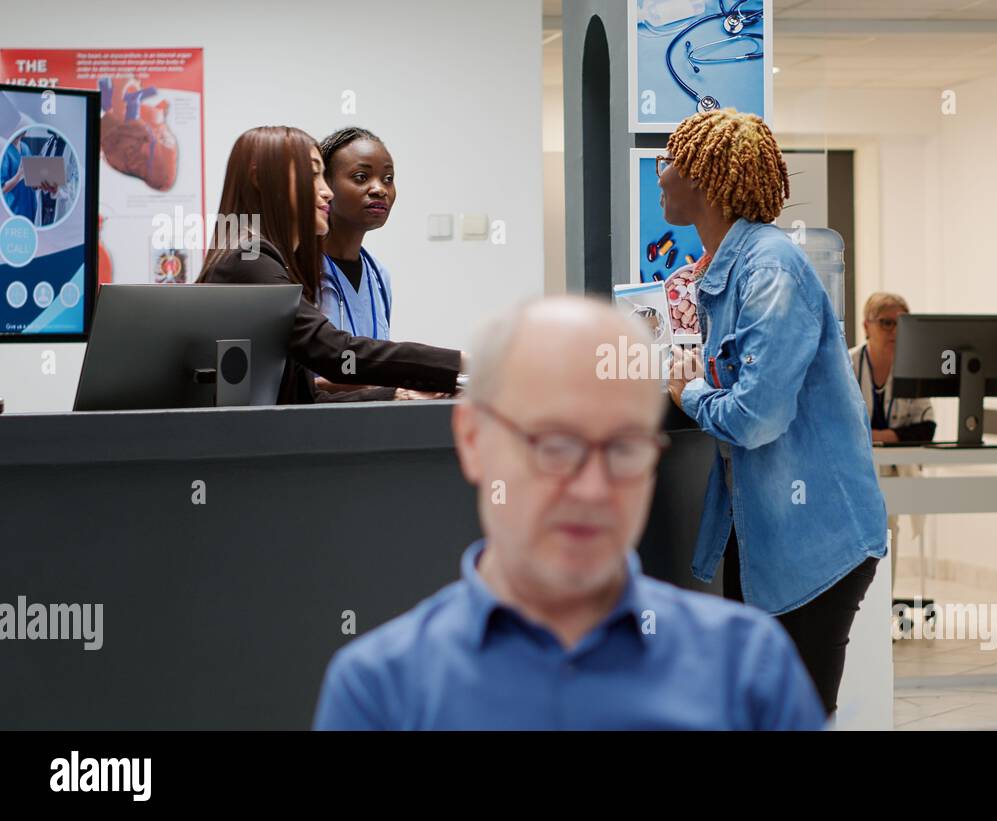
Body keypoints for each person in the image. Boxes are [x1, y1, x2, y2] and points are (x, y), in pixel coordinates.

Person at [313, 297, 825, 730]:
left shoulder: (747, 669)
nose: (592, 487)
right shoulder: (381, 691)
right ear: (474, 441)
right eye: (555, 445)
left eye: (624, 448)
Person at [661, 109, 888, 717]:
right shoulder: (728, 271)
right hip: (770, 538)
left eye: (672, 162)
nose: (661, 174)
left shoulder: (769, 269)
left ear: (707, 178)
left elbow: (758, 416)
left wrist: (688, 395)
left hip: (817, 540)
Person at [197, 126, 461, 404]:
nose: (327, 192)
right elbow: (335, 354)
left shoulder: (268, 261)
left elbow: (303, 398)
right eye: (313, 175)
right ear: (260, 178)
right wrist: (460, 363)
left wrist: (396, 394)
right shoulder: (249, 259)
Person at [848, 292, 935, 594]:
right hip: (854, 472)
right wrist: (893, 435)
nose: (895, 332)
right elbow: (836, 425)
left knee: (889, 533)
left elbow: (926, 428)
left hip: (895, 473)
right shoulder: (846, 365)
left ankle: (883, 609)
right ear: (866, 326)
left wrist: (878, 436)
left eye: (902, 324)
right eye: (886, 323)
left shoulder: (913, 366)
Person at [314, 127, 399, 393]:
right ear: (326, 187)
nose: (379, 189)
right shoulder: (298, 271)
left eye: (388, 178)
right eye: (361, 177)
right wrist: (397, 385)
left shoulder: (378, 275)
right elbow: (296, 383)